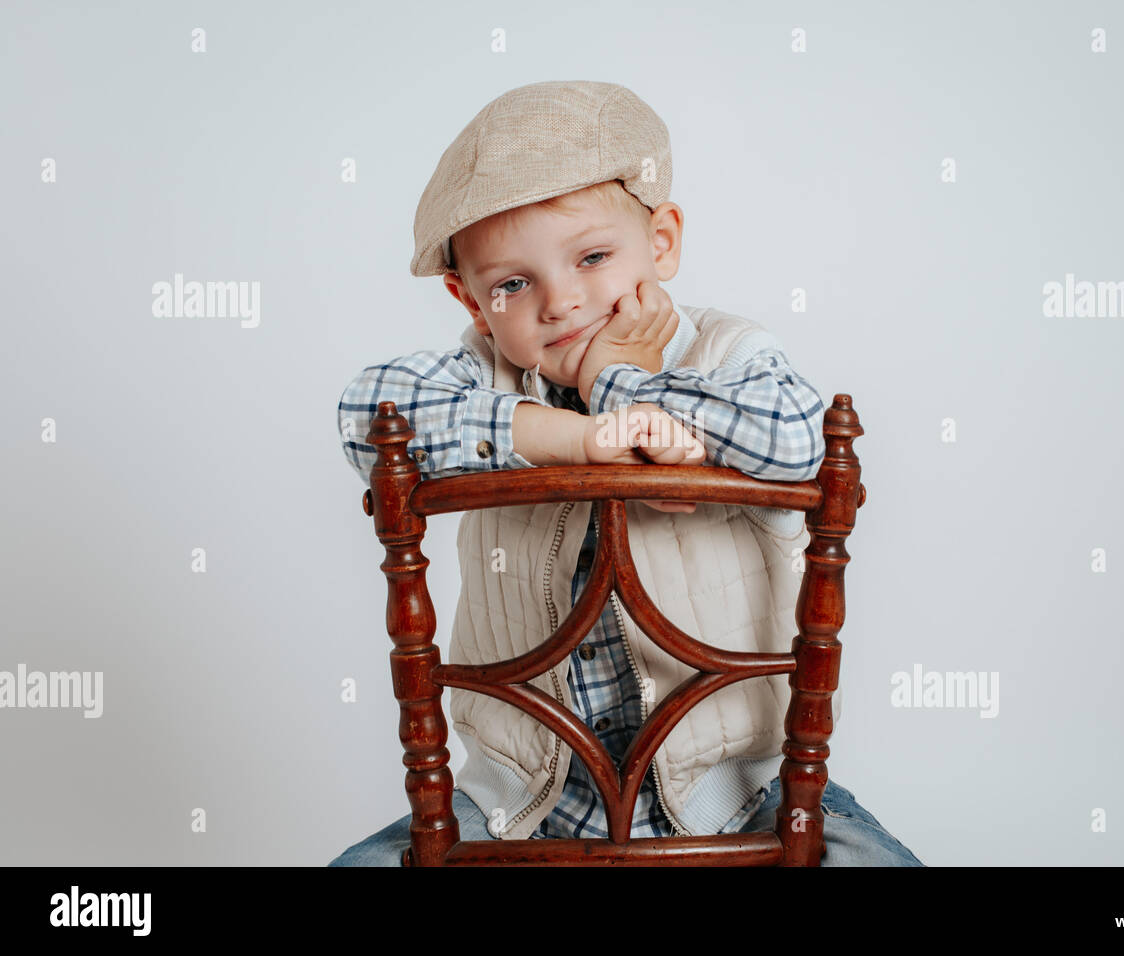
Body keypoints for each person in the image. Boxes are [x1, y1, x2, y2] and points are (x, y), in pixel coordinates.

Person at [331, 80, 922, 867]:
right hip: (525, 798)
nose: (561, 302)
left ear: (663, 242)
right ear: (468, 300)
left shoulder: (728, 355)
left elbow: (798, 443)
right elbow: (365, 416)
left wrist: (624, 383)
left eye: (594, 257)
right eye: (511, 283)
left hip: (739, 791)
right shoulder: (483, 374)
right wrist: (578, 438)